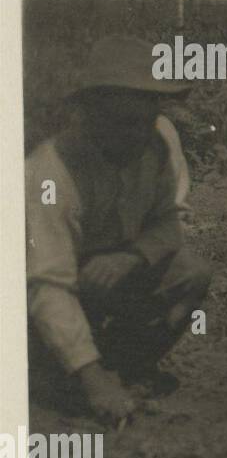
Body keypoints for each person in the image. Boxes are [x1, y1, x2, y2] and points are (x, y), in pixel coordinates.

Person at [26, 36, 212, 422]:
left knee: (191, 273)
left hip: (108, 272)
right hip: (35, 289)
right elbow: (46, 286)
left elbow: (172, 221)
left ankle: (121, 368)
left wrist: (131, 256)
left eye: (147, 119)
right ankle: (78, 371)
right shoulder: (51, 173)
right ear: (91, 113)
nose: (139, 133)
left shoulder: (158, 142)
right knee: (43, 372)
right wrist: (92, 380)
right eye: (125, 122)